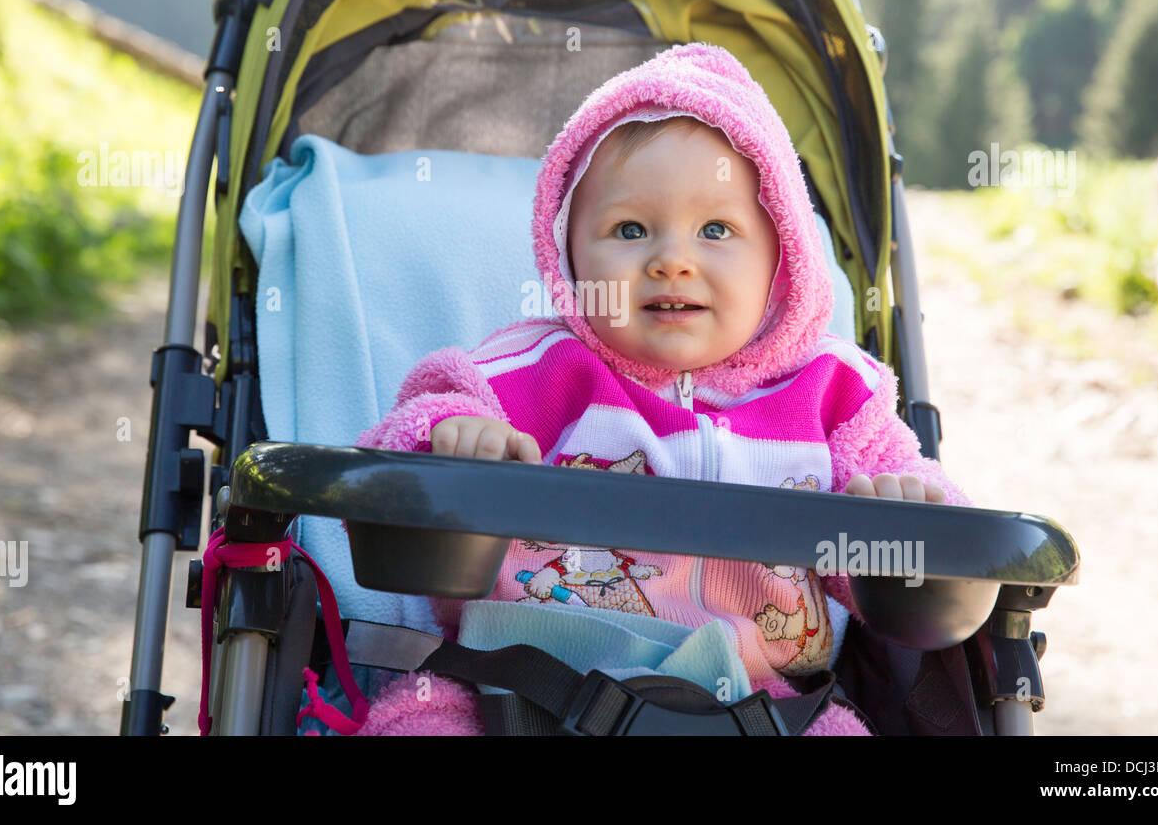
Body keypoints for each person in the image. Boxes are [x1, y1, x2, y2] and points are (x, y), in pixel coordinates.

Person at [345, 42, 973, 736]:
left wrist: (918, 510)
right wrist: (450, 440)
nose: (672, 260)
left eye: (716, 230)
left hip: (763, 713)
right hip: (523, 695)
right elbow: (401, 440)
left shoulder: (834, 398)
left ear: (783, 257)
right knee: (422, 720)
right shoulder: (534, 371)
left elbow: (936, 519)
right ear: (570, 254)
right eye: (630, 229)